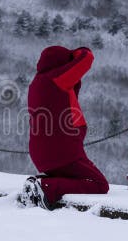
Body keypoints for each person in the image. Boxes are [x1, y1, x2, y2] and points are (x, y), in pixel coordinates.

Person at [22, 45, 109, 210]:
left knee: (74, 179)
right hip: (62, 153)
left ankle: (40, 186)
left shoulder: (37, 83)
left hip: (43, 154)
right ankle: (44, 186)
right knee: (99, 184)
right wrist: (75, 54)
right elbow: (86, 58)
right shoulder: (57, 79)